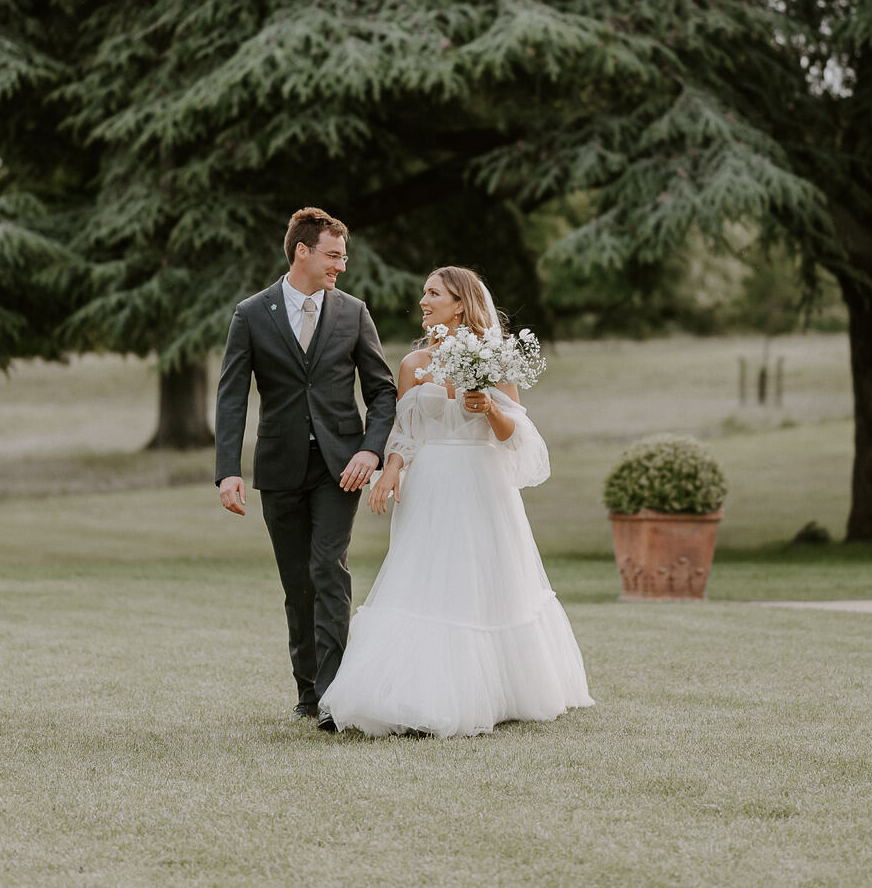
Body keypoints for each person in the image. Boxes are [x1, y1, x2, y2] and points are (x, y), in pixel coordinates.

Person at [319, 266, 592, 737]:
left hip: (481, 482)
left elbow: (516, 436)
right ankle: (409, 696)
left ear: (460, 303)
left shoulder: (496, 358)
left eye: (433, 293)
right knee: (421, 579)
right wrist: (391, 471)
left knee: (478, 580)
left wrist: (488, 407)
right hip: (428, 485)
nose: (422, 301)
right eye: (424, 292)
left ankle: (490, 691)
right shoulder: (412, 364)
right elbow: (405, 432)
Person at [214, 207, 398, 731]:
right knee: (297, 581)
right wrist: (228, 469)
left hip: (342, 466)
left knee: (327, 568)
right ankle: (308, 692)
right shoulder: (251, 314)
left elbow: (382, 390)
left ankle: (336, 696)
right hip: (279, 466)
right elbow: (231, 398)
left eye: (343, 256)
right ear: (303, 252)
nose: (342, 264)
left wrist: (371, 450)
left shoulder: (354, 312)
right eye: (334, 255)